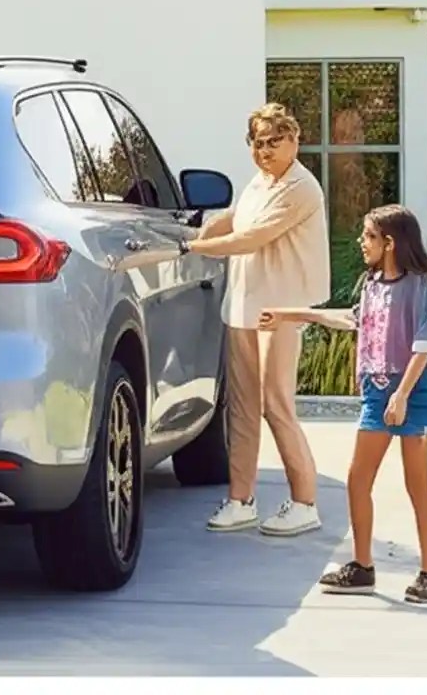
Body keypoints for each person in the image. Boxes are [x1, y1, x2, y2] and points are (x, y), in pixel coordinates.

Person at [261, 204, 427, 603]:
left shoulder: (419, 286)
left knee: (418, 484)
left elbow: (423, 347)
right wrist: (288, 314)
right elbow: (351, 319)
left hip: (409, 391)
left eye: (369, 237)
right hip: (377, 391)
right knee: (358, 480)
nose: (363, 244)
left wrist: (401, 395)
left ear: (390, 243)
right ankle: (362, 567)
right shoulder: (372, 283)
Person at [178, 103, 331, 536]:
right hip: (243, 305)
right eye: (258, 143)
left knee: (275, 405)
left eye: (273, 142)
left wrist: (197, 250)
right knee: (243, 408)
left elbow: (253, 237)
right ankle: (240, 499)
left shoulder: (301, 187)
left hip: (279, 308)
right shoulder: (261, 181)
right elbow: (240, 217)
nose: (265, 151)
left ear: (294, 141)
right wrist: (198, 230)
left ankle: (305, 502)